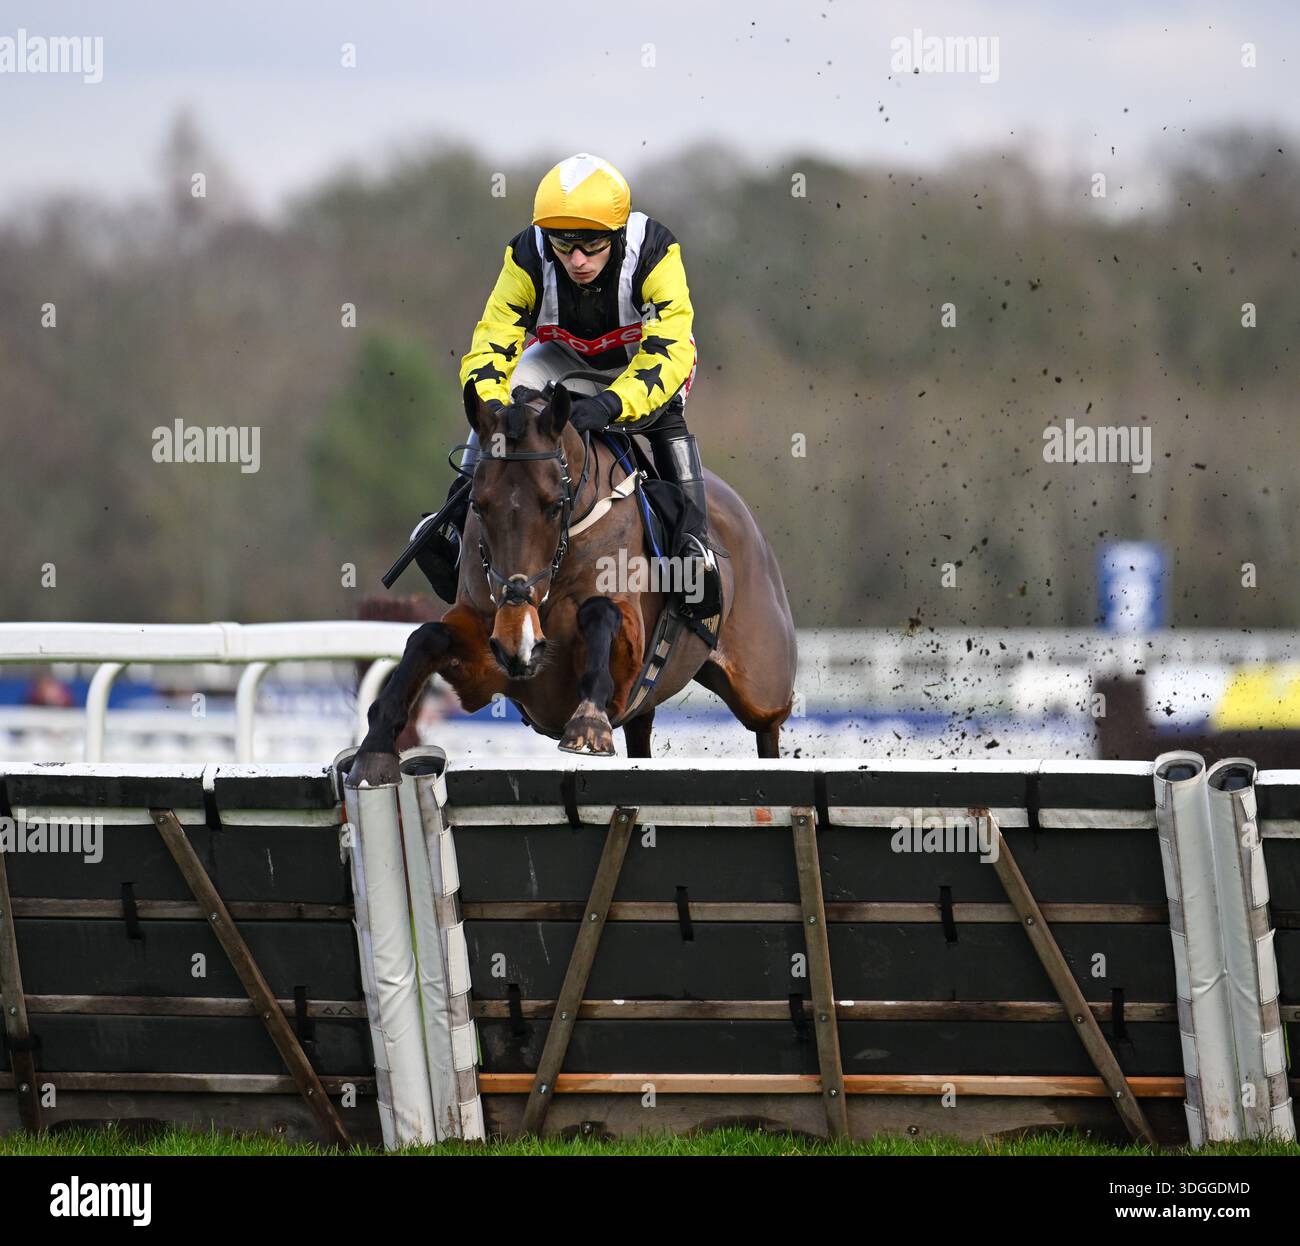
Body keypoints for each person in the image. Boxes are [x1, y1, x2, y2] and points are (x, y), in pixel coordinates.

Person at [419, 152, 720, 618]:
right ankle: (453, 523)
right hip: (562, 358)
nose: (577, 260)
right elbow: (492, 342)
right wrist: (496, 407)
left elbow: (669, 351)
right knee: (498, 416)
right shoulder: (526, 253)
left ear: (616, 234)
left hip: (642, 362)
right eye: (564, 245)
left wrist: (612, 403)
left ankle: (694, 544)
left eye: (592, 245)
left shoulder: (656, 251)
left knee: (667, 419)